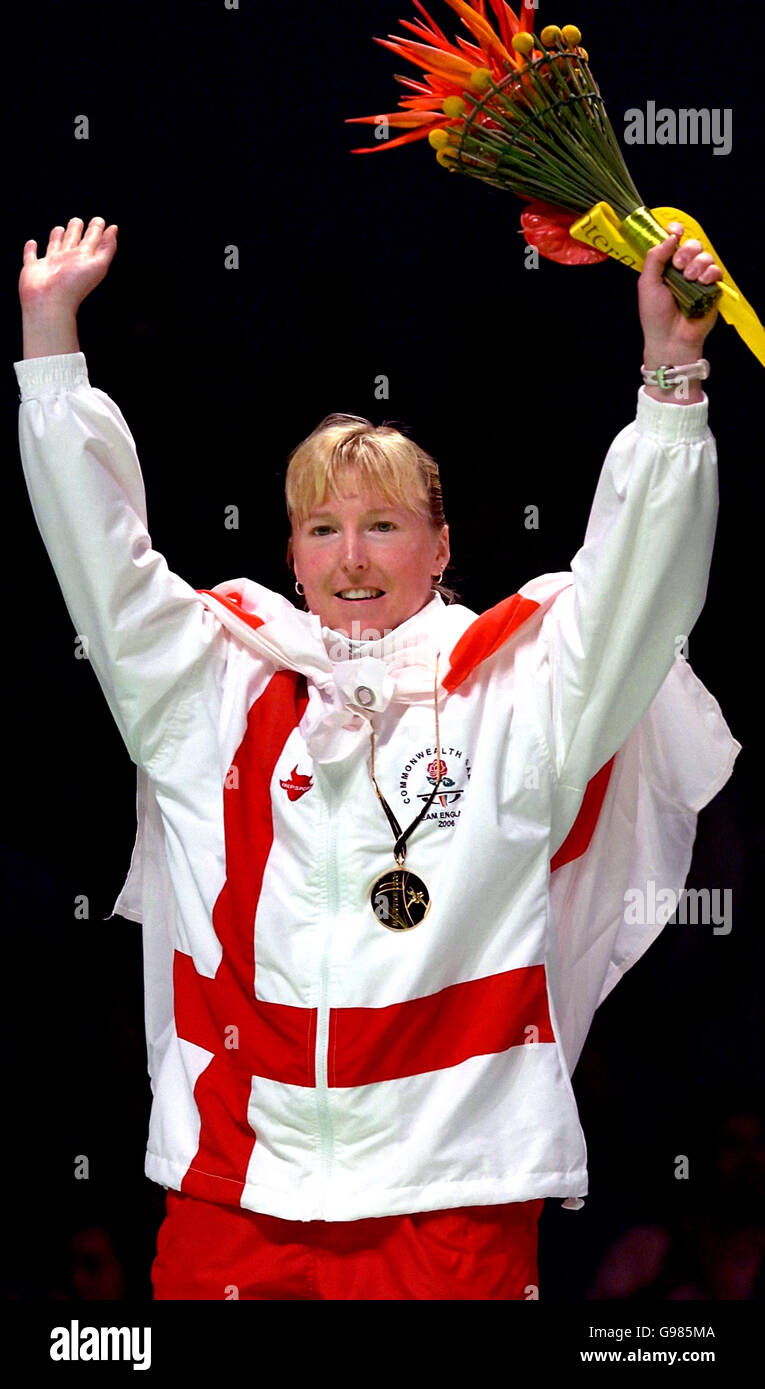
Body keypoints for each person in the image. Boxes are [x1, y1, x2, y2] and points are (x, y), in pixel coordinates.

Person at [16, 216, 740, 1301]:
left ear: (443, 547)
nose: (351, 557)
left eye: (385, 525)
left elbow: (640, 587)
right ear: (293, 555)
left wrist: (673, 379)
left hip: (454, 1193)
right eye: (321, 529)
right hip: (235, 1191)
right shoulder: (214, 685)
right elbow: (104, 573)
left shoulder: (520, 688)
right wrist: (50, 343)